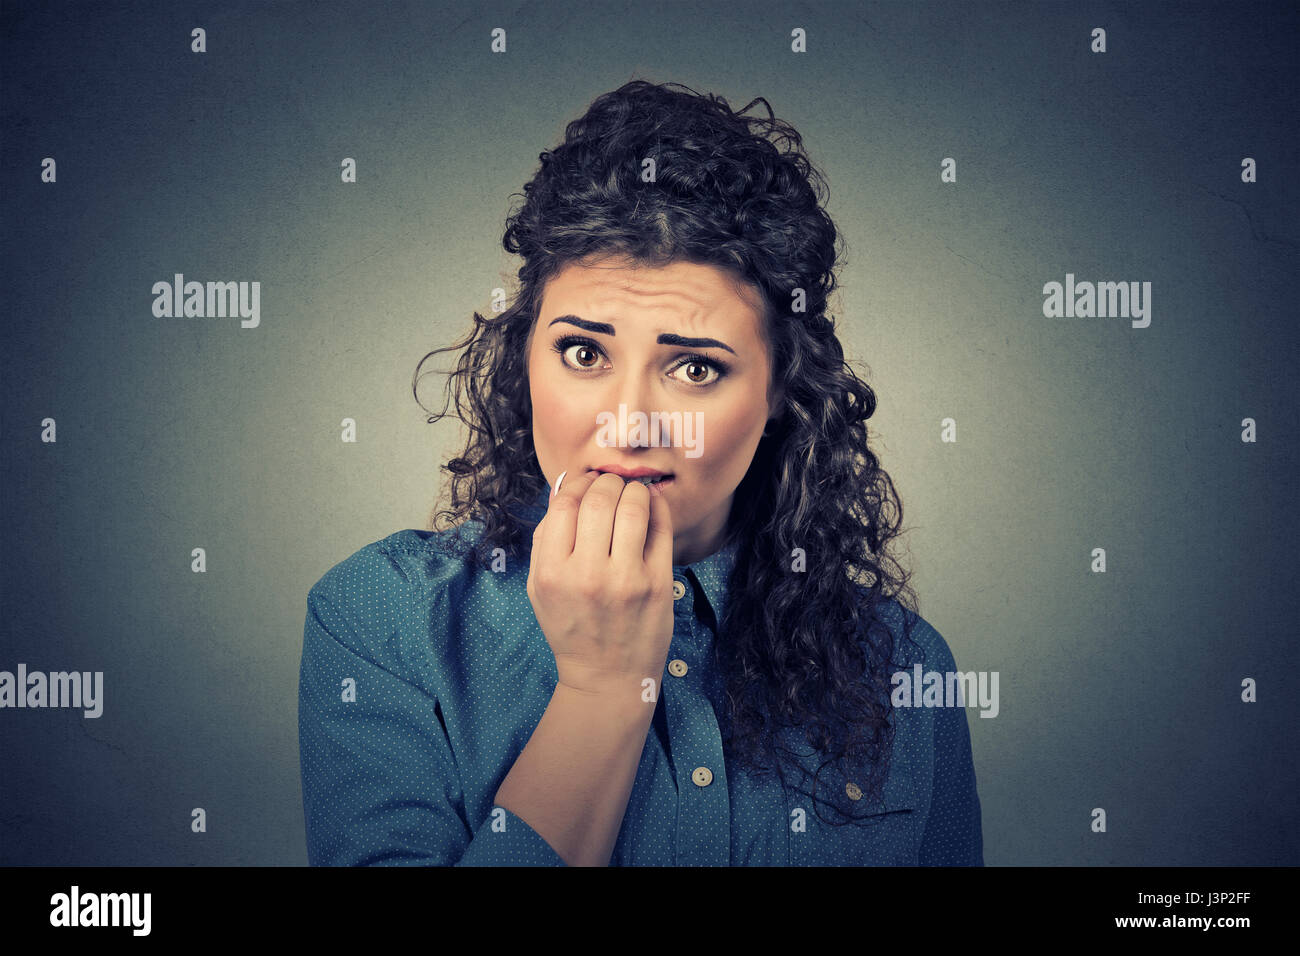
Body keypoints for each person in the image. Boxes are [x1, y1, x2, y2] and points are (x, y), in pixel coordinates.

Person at [298, 80, 983, 866]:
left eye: (694, 367)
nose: (627, 423)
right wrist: (603, 692)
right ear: (525, 362)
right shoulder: (380, 620)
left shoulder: (904, 664)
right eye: (584, 354)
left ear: (777, 395)